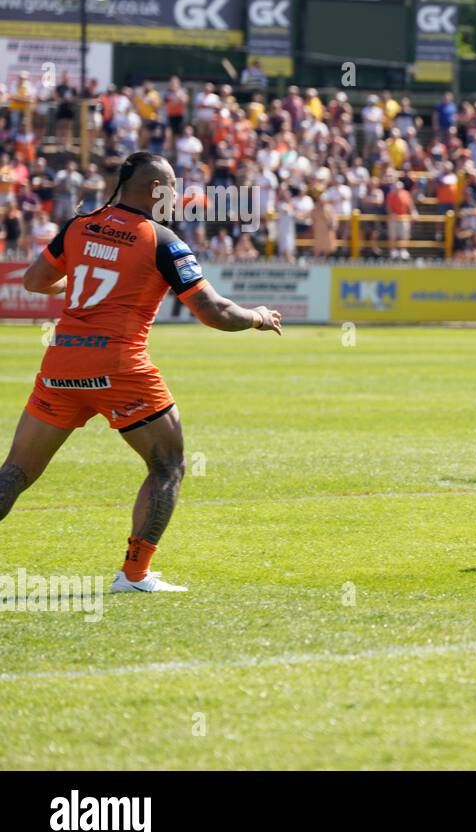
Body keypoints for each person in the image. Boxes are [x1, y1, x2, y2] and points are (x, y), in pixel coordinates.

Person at [0, 151, 282, 593]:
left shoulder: (79, 225)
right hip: (119, 369)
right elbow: (213, 311)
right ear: (155, 190)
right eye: (170, 186)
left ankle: (135, 574)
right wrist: (258, 317)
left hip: (61, 364)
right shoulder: (162, 239)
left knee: (16, 471)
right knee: (168, 465)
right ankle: (133, 576)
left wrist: (76, 278)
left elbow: (34, 282)